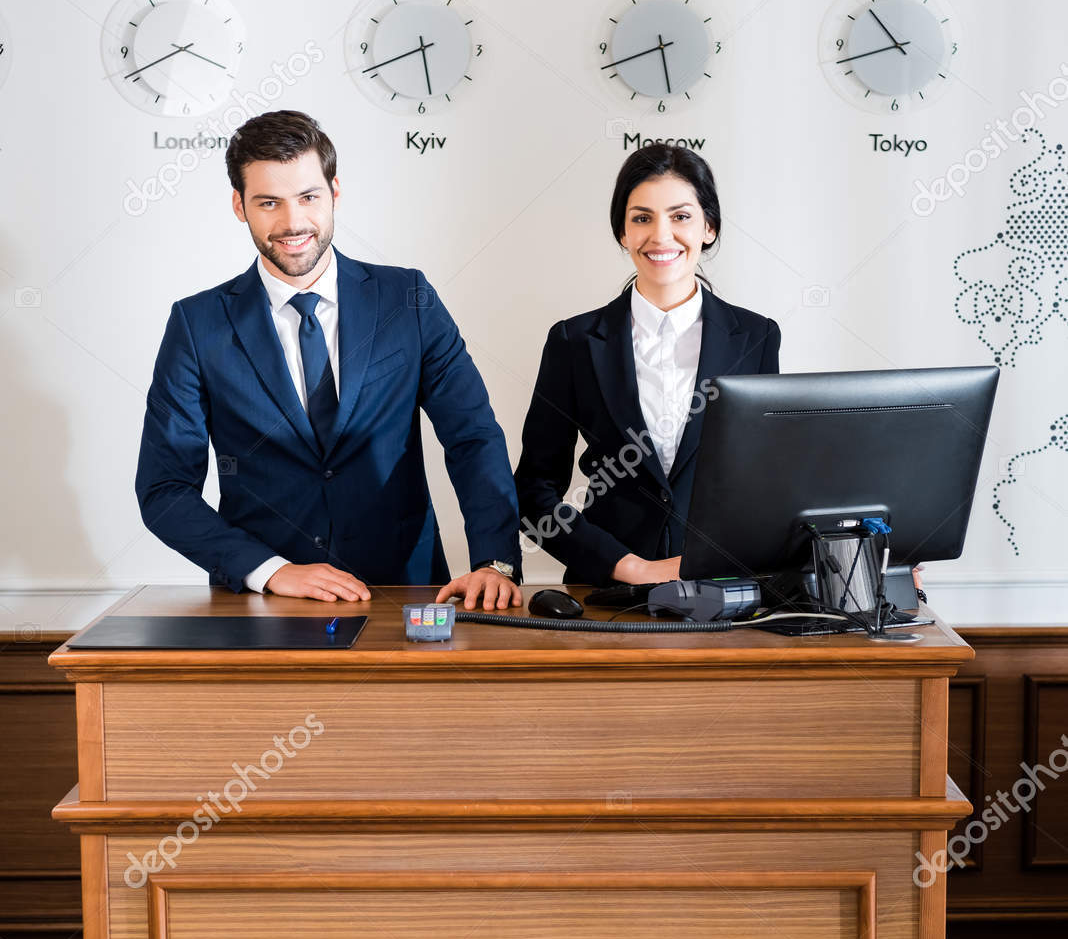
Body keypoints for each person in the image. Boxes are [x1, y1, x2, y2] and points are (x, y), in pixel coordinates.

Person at [136, 110, 521, 609]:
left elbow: (472, 436)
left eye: (308, 197)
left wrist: (494, 561)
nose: (292, 222)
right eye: (268, 202)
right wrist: (271, 572)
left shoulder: (408, 299)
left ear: (334, 192)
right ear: (239, 206)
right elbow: (165, 489)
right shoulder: (197, 325)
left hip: (407, 591)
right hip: (264, 606)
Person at [514, 144, 780, 585]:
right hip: (606, 590)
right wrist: (630, 567)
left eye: (680, 217)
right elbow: (533, 491)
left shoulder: (756, 337)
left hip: (721, 588)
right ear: (623, 232)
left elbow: (770, 478)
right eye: (642, 218)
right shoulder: (574, 341)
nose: (660, 236)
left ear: (708, 228)